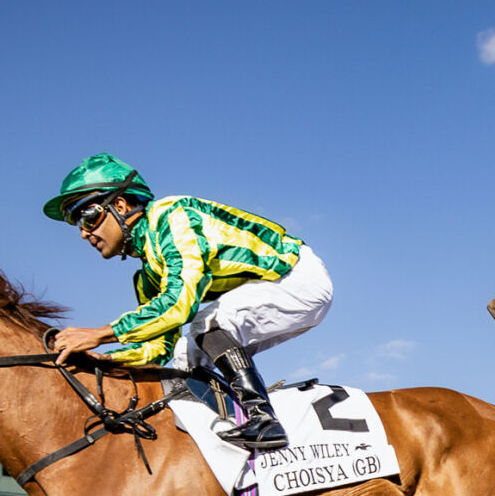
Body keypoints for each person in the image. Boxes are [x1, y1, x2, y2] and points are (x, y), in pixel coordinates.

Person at [45, 153, 333, 451]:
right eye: (74, 221)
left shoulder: (172, 216)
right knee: (185, 356)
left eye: (87, 215)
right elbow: (158, 349)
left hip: (296, 278)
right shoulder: (147, 277)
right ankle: (226, 439)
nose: (83, 232)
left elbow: (178, 305)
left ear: (120, 205)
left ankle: (264, 420)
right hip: (268, 291)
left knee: (207, 323)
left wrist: (97, 335)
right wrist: (108, 359)